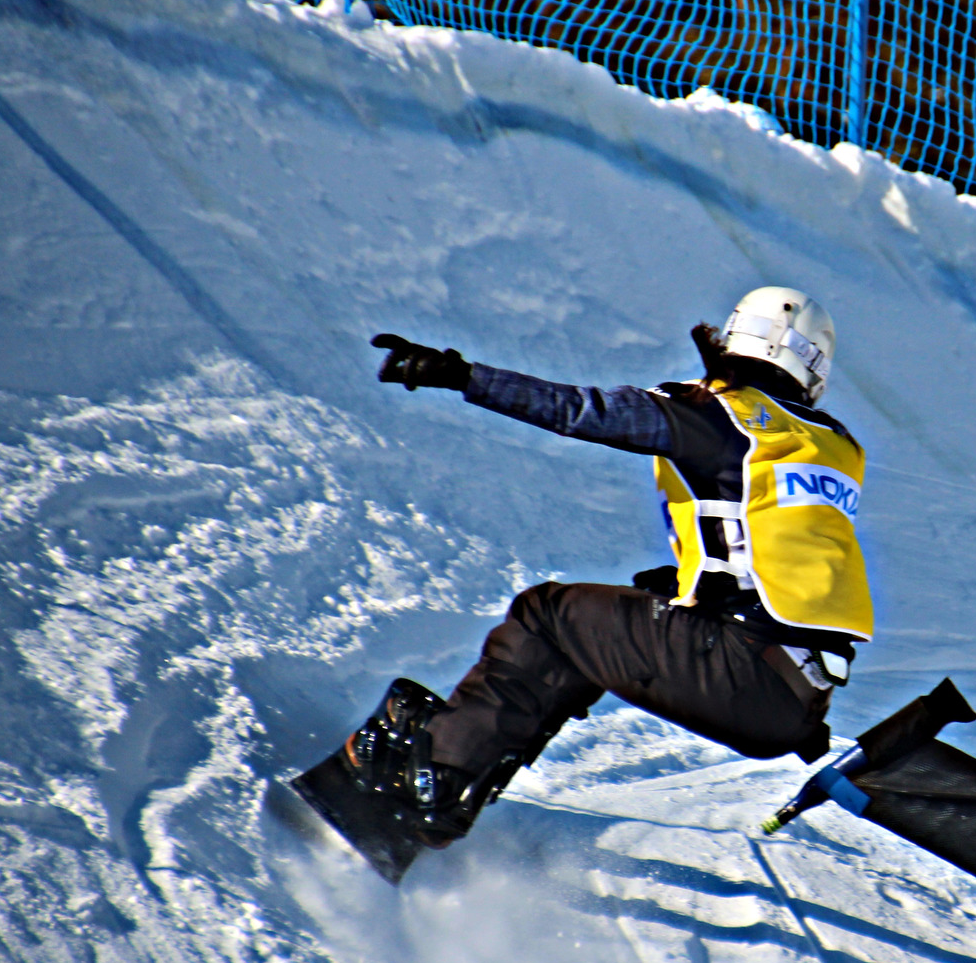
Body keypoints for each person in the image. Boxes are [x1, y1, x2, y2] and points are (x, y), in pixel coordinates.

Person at [289, 287, 872, 882]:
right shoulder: (836, 447)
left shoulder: (717, 411)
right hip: (794, 699)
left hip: (737, 667)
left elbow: (583, 410)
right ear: (813, 366)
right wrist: (696, 581)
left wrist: (463, 374)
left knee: (547, 614)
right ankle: (445, 797)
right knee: (583, 642)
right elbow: (775, 529)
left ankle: (434, 783)